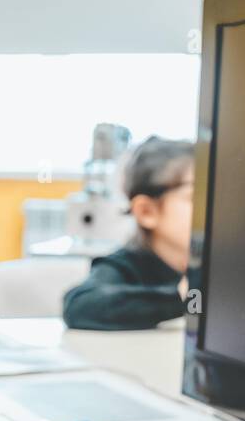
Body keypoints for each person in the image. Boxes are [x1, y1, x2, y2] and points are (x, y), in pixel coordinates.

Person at [62, 136, 197, 330]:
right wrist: (186, 298)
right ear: (146, 211)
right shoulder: (126, 266)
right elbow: (80, 306)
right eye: (195, 197)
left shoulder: (223, 266)